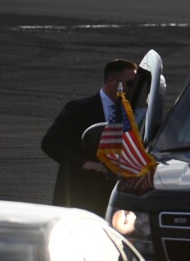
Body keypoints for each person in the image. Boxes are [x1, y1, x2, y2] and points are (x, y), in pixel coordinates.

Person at [41, 59, 138, 215]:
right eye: (129, 83)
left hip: (116, 200)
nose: (134, 88)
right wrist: (85, 164)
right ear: (112, 81)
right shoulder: (79, 109)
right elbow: (50, 142)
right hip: (80, 197)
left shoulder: (133, 112)